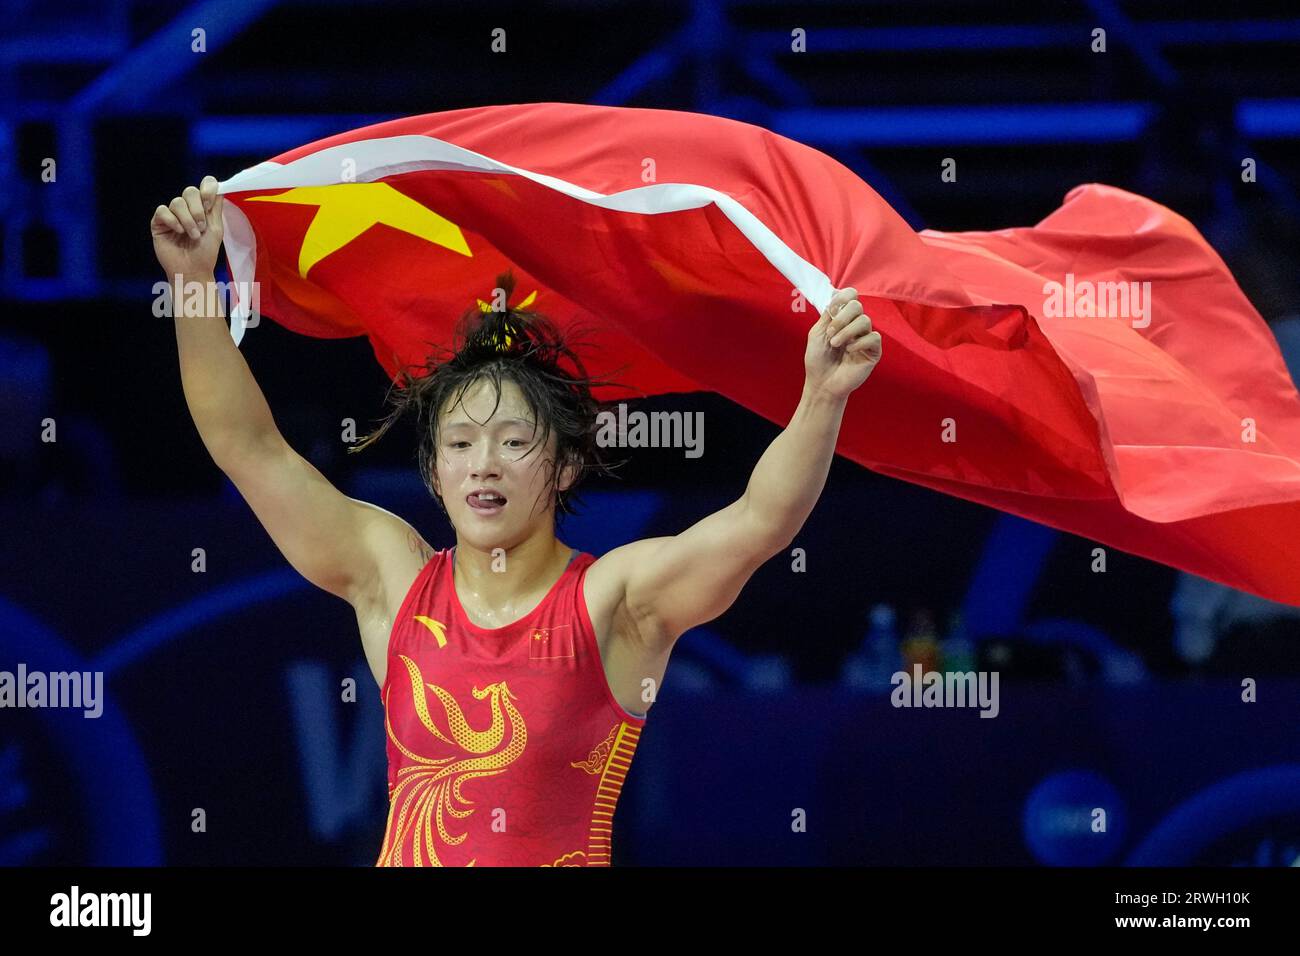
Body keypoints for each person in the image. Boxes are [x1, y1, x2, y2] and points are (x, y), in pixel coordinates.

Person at [152, 174, 883, 866]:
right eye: (460, 445)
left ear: (564, 467)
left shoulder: (614, 603)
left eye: (513, 442)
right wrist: (190, 280)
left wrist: (823, 396)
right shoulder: (392, 580)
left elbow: (760, 521)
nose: (484, 465)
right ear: (434, 473)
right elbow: (249, 447)